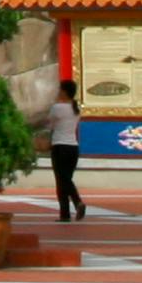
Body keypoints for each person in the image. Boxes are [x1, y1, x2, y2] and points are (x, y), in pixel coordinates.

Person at [47, 78, 84, 222]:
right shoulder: (76, 109)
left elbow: (50, 125)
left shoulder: (57, 108)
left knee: (62, 180)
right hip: (73, 147)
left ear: (63, 91)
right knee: (66, 179)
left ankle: (76, 203)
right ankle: (65, 214)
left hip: (59, 146)